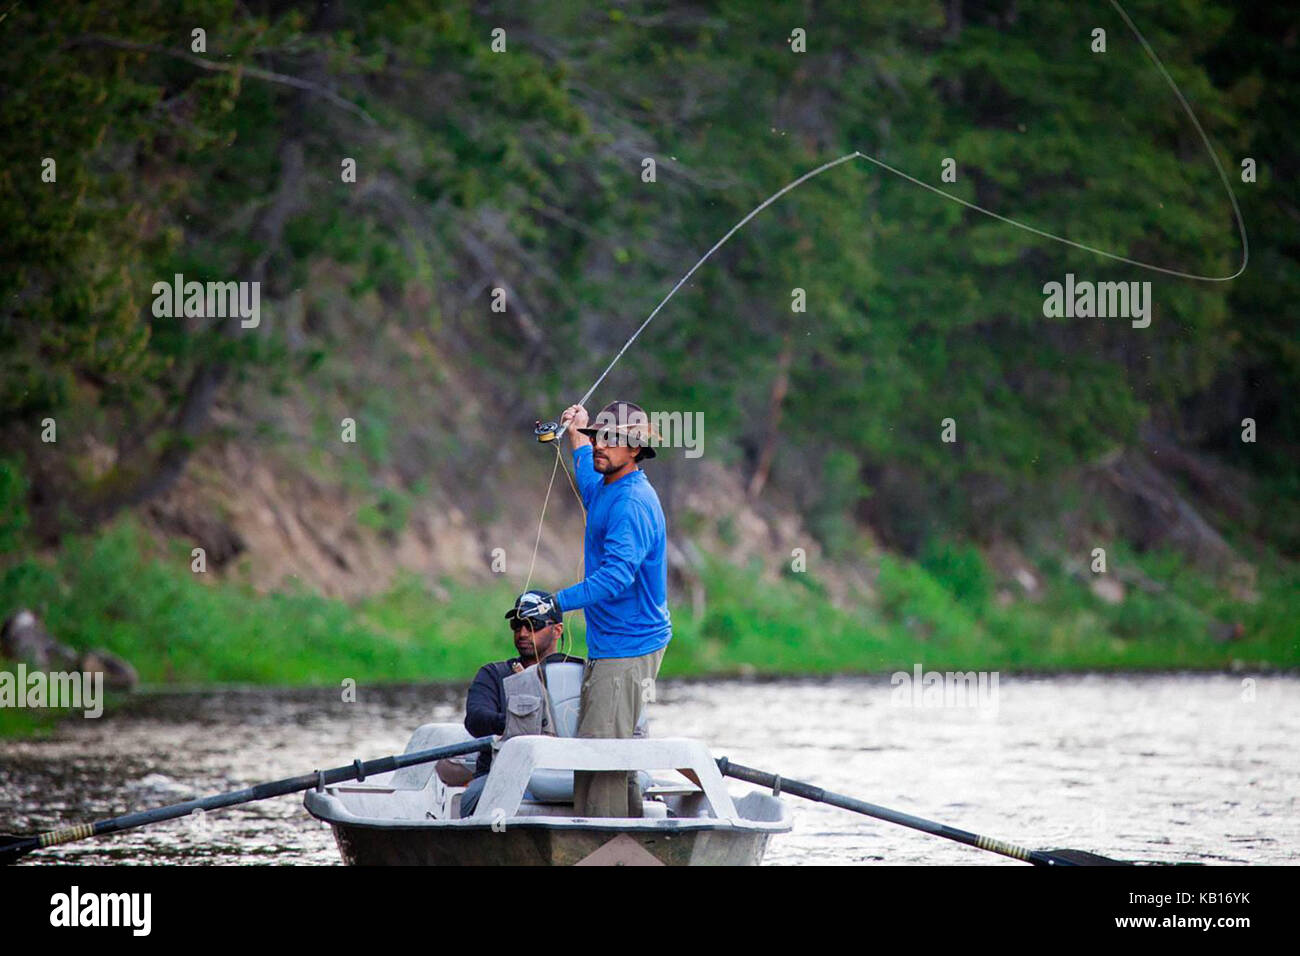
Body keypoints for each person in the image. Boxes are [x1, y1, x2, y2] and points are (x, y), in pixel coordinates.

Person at [553, 400, 672, 817]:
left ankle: (603, 845)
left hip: (628, 648)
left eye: (611, 440)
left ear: (635, 450)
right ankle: (625, 845)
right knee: (603, 755)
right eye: (597, 437)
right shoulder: (608, 487)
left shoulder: (631, 503)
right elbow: (589, 483)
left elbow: (616, 577)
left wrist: (555, 604)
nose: (599, 445)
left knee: (599, 760)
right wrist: (576, 437)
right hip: (612, 647)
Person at [455, 590, 583, 817]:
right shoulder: (493, 674)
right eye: (517, 625)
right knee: (473, 796)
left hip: (565, 776)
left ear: (557, 630)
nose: (523, 633)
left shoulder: (578, 675)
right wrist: (517, 722)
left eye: (533, 624)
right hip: (499, 776)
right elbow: (475, 720)